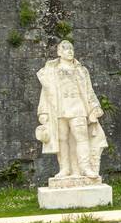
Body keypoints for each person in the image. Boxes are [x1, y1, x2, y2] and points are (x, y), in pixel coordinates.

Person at [36, 40, 107, 181]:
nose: (69, 51)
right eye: (66, 49)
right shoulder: (51, 71)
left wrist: (94, 107)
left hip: (78, 107)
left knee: (81, 138)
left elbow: (88, 90)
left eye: (71, 49)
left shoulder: (81, 70)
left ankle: (85, 168)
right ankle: (64, 169)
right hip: (59, 109)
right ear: (59, 52)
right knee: (61, 139)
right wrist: (43, 111)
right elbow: (46, 92)